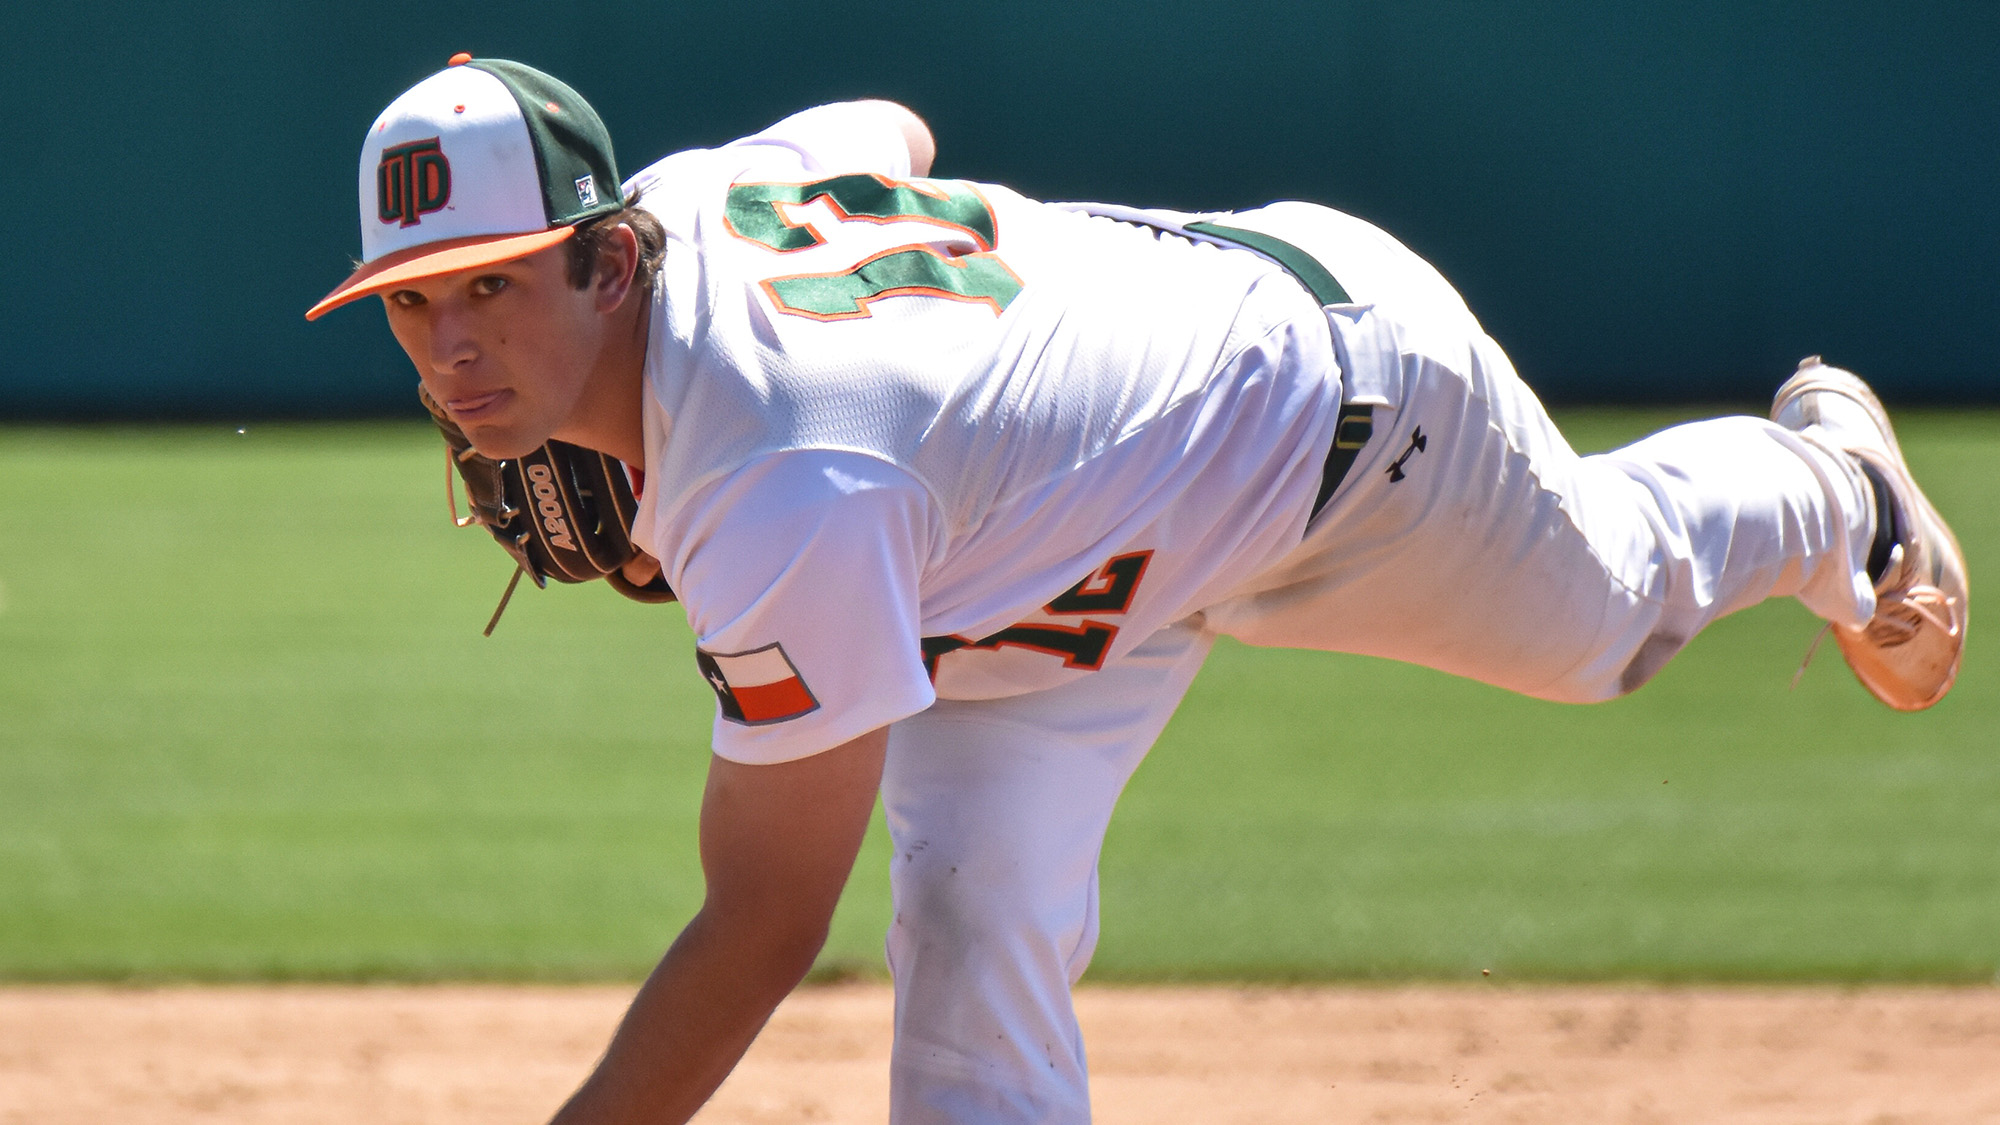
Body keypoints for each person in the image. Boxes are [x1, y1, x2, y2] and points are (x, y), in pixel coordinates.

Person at [307, 56, 1967, 1124]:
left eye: (493, 290)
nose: (451, 350)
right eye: (414, 302)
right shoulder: (679, 200)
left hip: (1341, 415)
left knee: (1607, 618)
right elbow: (882, 123)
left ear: (603, 260)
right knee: (968, 936)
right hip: (1048, 567)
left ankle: (1833, 487)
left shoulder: (781, 481)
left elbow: (761, 925)